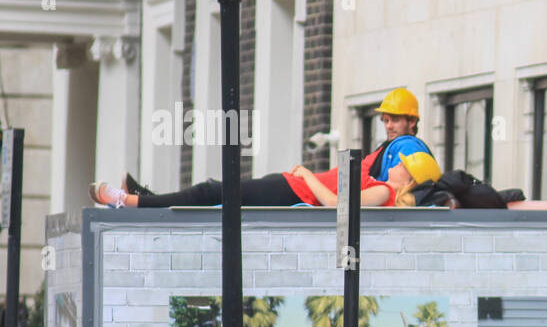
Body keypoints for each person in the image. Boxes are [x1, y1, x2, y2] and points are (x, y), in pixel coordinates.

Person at [89, 150, 440, 209]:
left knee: (214, 191)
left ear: (408, 176)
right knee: (216, 194)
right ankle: (145, 199)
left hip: (294, 189)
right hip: (292, 186)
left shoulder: (382, 192)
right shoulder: (381, 183)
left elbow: (336, 205)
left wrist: (305, 175)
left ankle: (131, 201)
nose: (396, 163)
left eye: (403, 163)